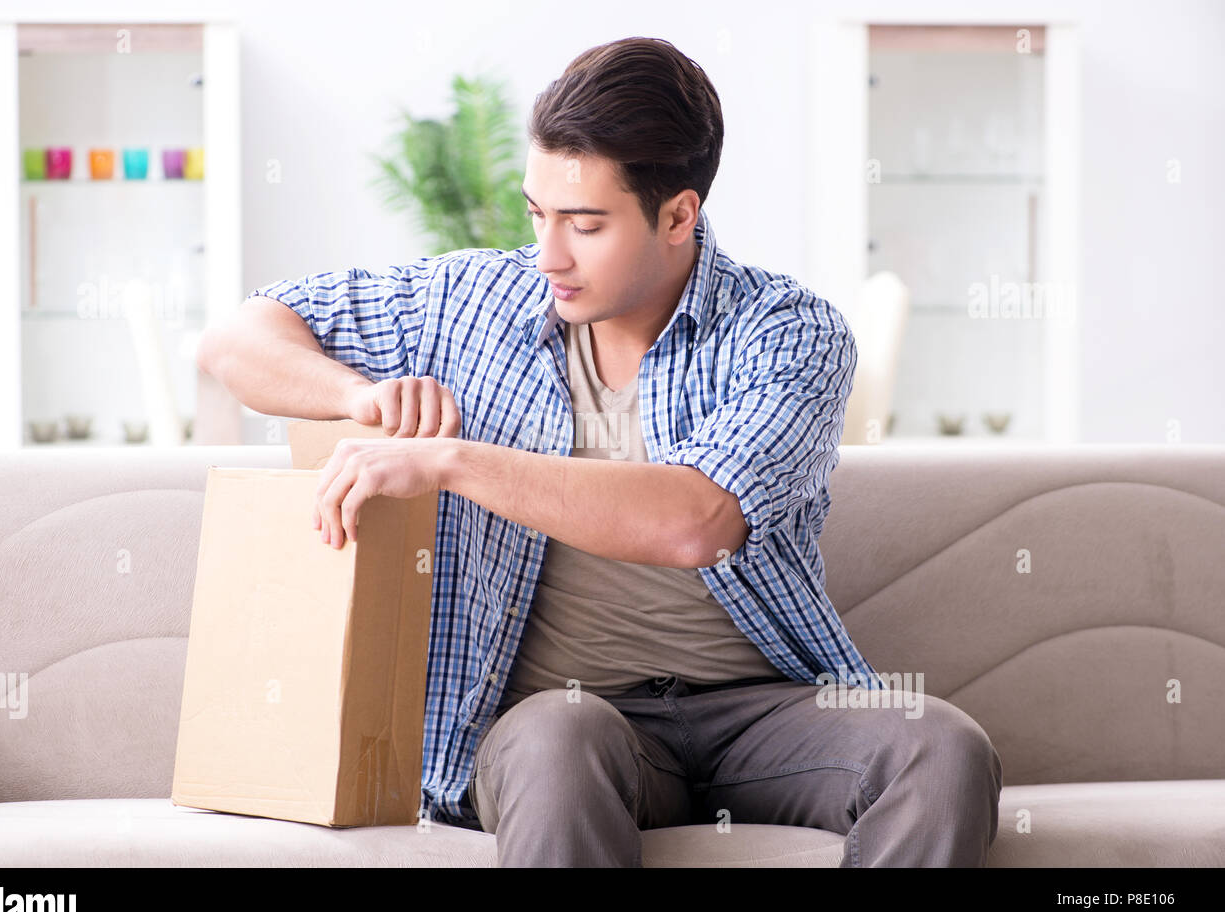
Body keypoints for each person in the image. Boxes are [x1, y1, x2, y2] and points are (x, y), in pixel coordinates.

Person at [197, 36, 1002, 867]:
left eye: (585, 225)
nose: (549, 253)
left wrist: (452, 459)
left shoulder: (788, 333)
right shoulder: (469, 300)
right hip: (569, 713)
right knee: (557, 738)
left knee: (939, 748)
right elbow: (236, 336)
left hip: (762, 711)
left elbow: (698, 521)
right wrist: (358, 397)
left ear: (679, 215)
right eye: (537, 213)